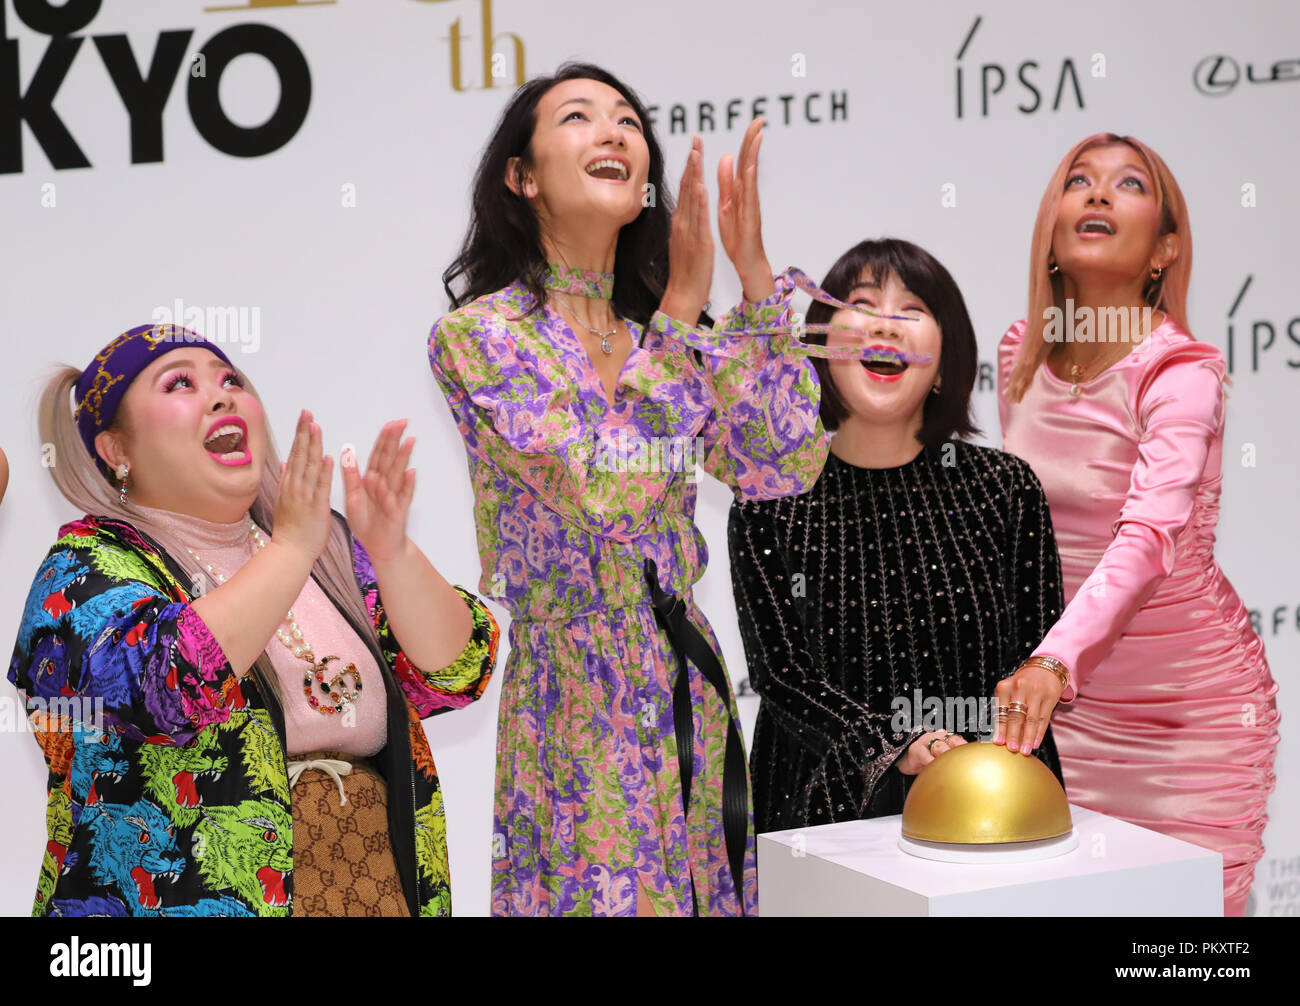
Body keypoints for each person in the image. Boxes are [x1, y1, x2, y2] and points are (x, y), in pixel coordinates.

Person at [428, 60, 861, 916]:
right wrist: (682, 310)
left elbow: (782, 465)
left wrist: (753, 273)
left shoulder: (661, 334)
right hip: (576, 692)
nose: (616, 132)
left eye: (627, 120)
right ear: (521, 177)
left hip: (688, 678)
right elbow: (604, 492)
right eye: (580, 118)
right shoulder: (482, 336)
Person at [8, 323, 499, 917]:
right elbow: (163, 688)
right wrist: (293, 549)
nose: (222, 395)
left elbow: (457, 671)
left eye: (231, 380)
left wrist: (392, 554)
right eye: (180, 384)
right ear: (118, 451)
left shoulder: (324, 547)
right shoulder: (83, 569)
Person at [996, 133, 1281, 916]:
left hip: (1187, 718)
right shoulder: (1021, 358)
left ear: (1164, 249)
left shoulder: (1180, 372)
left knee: (1179, 961)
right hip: (1065, 723)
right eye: (1077, 181)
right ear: (1052, 231)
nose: (1096, 194)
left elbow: (1150, 535)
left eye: (1127, 184)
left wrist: (1052, 665)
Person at [729, 239, 1067, 833]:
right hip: (821, 816)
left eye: (912, 310)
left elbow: (1042, 656)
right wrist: (891, 745)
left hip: (990, 805)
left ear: (946, 360)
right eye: (861, 302)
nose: (886, 323)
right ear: (820, 343)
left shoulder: (1004, 488)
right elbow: (782, 675)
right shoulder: (769, 499)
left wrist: (970, 749)